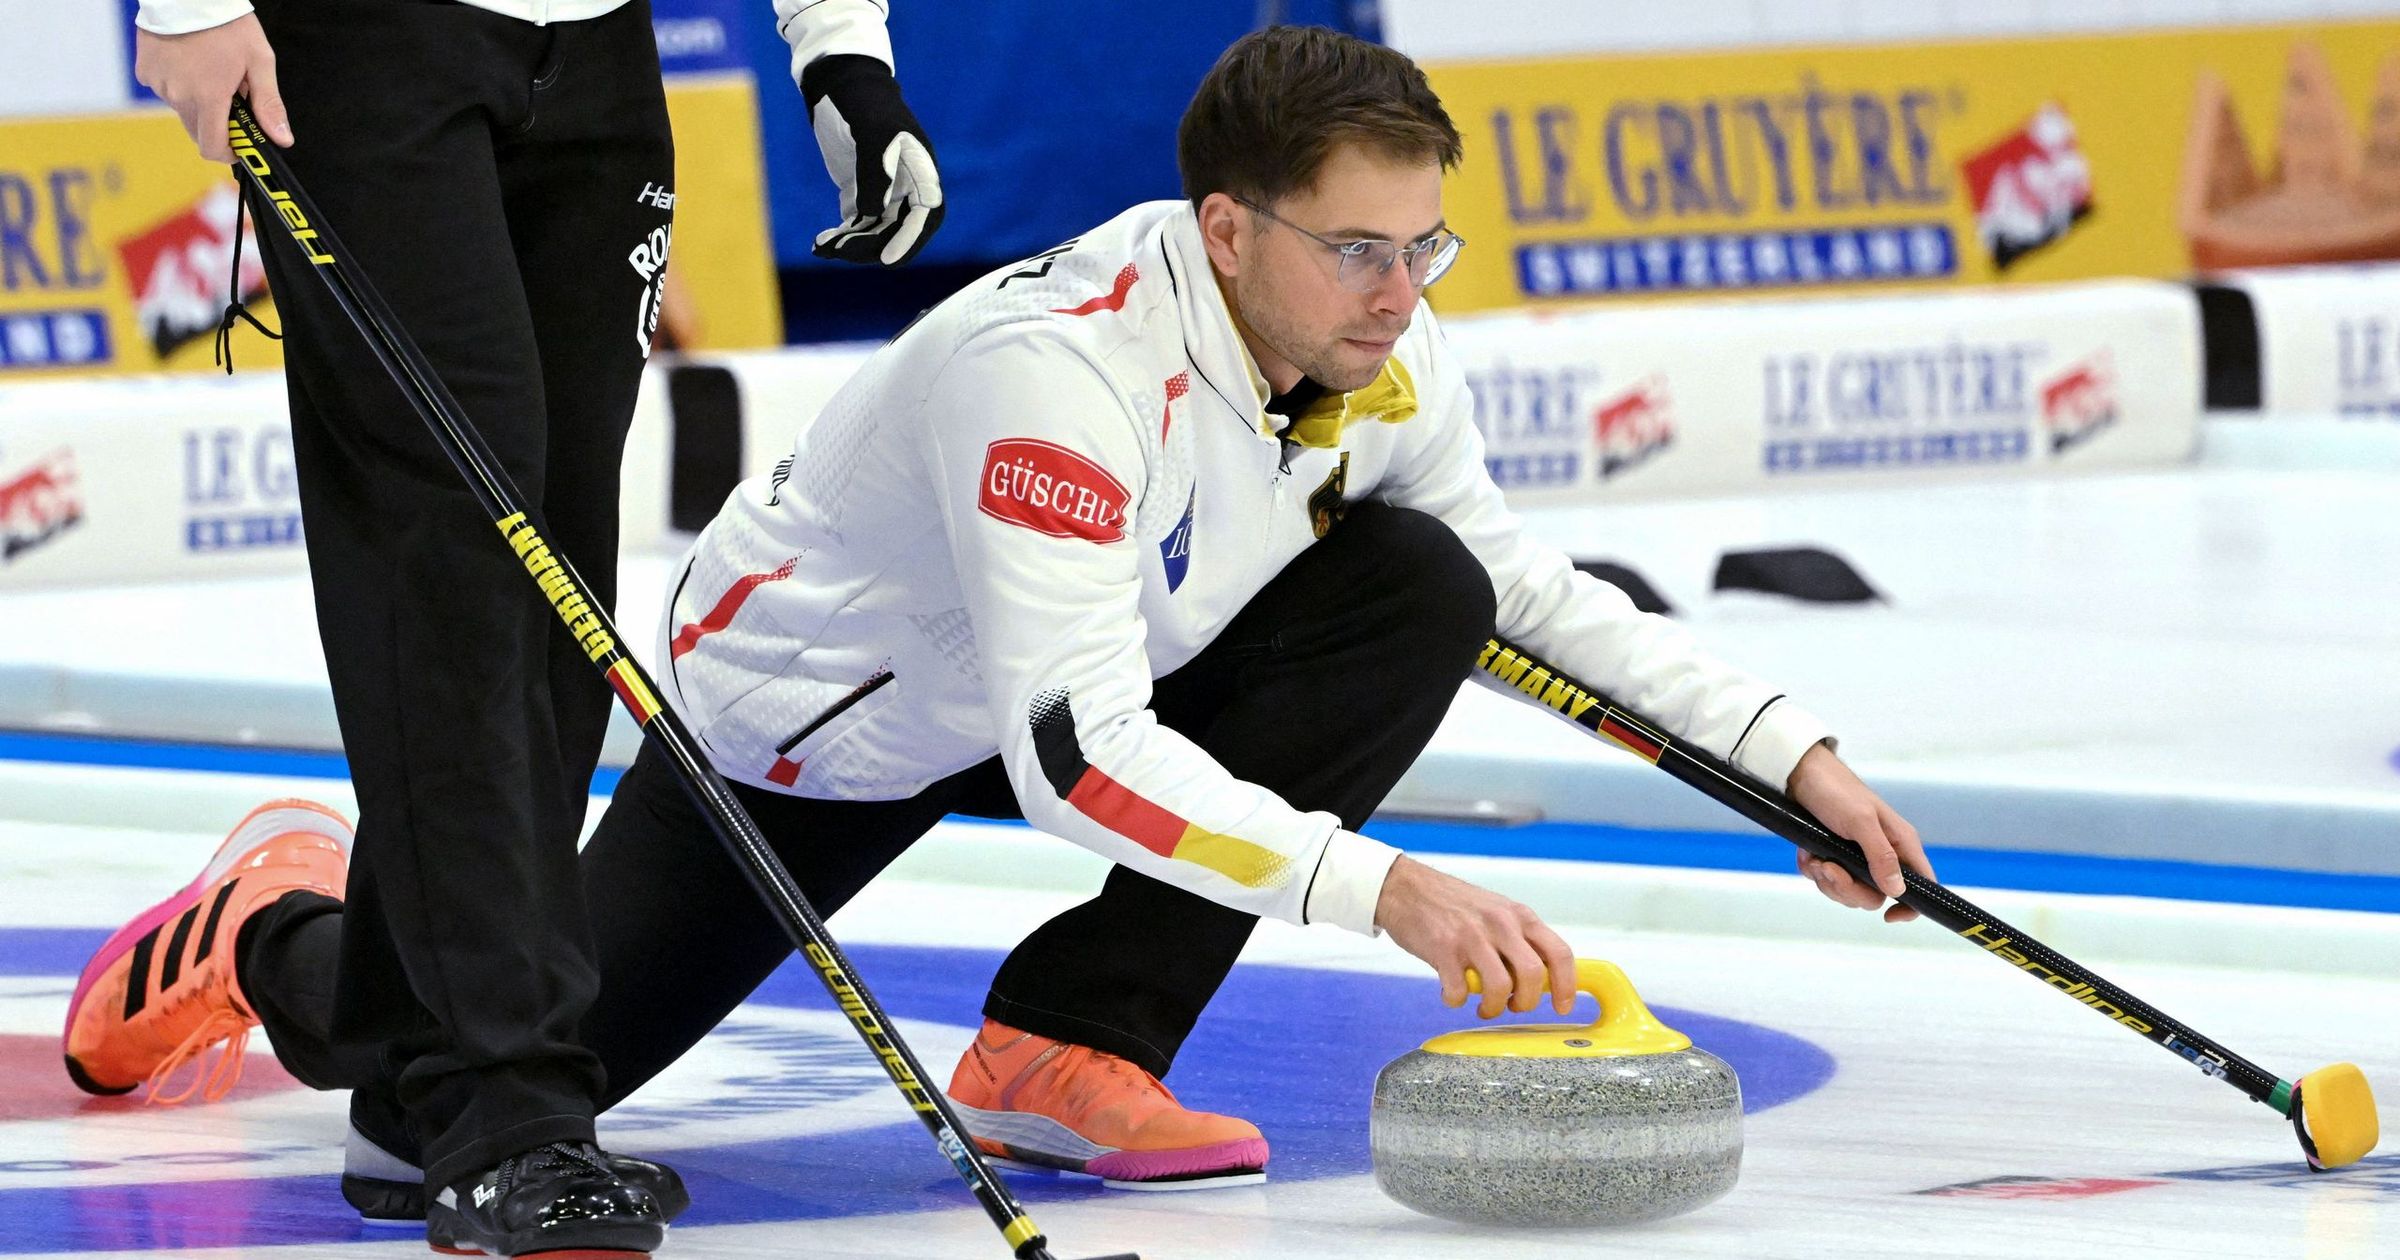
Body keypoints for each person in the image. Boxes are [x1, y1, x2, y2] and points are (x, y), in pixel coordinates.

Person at [70, 20, 1934, 1222]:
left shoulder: (1378, 340)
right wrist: (1395, 894)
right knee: (421, 1097)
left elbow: (1524, 590)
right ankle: (278, 932)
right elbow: (1079, 763)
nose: (1399, 293)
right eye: (1358, 249)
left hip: (1081, 661)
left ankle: (1070, 1041)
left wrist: (1797, 768)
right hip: (817, 742)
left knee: (1425, 587)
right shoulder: (1055, 378)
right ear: (1224, 228)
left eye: (1421, 247)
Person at [62, 0, 943, 1255]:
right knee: (454, 571)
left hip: (598, 61)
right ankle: (504, 1112)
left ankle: (336, 1002)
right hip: (365, 54)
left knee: (552, 599)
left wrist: (840, 45)